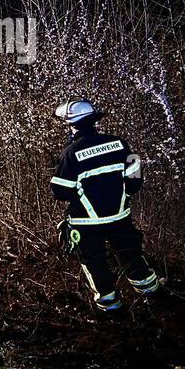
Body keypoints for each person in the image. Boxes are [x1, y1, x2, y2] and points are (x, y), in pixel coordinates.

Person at [50, 100, 161, 313]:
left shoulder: (70, 153)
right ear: (94, 121)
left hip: (86, 222)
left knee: (95, 263)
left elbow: (60, 191)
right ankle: (153, 296)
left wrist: (83, 197)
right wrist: (121, 196)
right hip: (120, 217)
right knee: (131, 255)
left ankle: (112, 309)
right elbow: (135, 179)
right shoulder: (120, 143)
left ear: (71, 125)